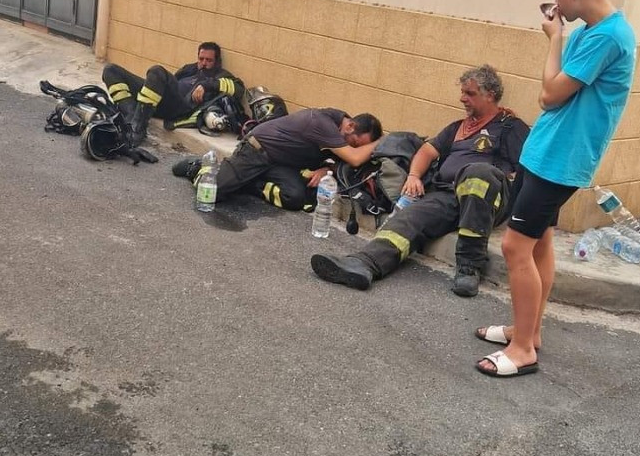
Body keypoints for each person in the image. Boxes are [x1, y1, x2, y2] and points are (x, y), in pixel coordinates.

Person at [475, 0, 636, 378]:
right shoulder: (591, 31)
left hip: (561, 160)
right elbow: (559, 90)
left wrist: (554, 40)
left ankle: (524, 348)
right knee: (540, 240)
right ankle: (528, 330)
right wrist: (563, 39)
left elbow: (549, 95)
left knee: (514, 246)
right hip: (545, 151)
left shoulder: (607, 37)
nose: (557, 6)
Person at [310, 66, 529, 297]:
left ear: (490, 95)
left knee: (478, 173)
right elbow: (426, 151)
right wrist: (414, 176)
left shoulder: (509, 127)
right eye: (462, 92)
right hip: (447, 195)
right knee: (409, 218)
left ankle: (469, 267)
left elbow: (527, 169)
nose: (462, 98)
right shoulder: (457, 128)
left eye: (470, 93)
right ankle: (364, 264)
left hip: (485, 199)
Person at [172, 108, 383, 211]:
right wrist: (384, 140)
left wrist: (326, 170)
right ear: (350, 126)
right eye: (356, 142)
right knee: (213, 193)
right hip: (256, 152)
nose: (353, 147)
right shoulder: (322, 123)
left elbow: (341, 158)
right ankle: (198, 167)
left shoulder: (340, 129)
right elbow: (354, 159)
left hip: (280, 163)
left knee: (296, 198)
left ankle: (246, 182)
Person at [102, 42, 244, 148]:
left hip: (180, 107)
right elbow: (173, 81)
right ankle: (131, 117)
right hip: (158, 100)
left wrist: (208, 85)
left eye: (209, 60)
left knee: (157, 71)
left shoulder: (220, 75)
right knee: (111, 70)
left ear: (217, 62)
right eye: (201, 59)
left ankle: (138, 129)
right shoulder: (190, 68)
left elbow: (239, 89)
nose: (203, 63)